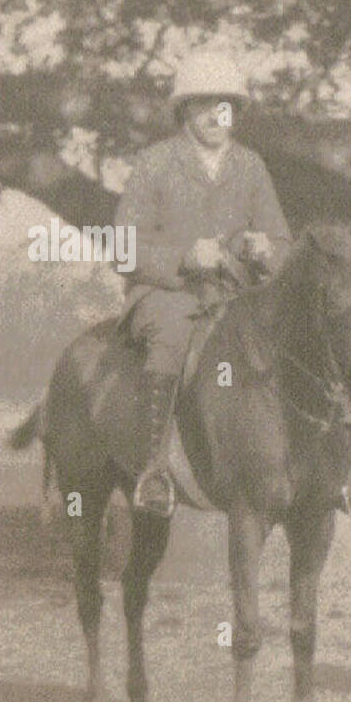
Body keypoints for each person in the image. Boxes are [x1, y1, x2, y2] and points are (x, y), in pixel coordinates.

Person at [113, 47, 293, 516]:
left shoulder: (250, 165)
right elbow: (123, 249)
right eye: (205, 105)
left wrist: (267, 250)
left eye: (226, 105)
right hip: (169, 294)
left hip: (235, 295)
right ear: (184, 111)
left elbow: (282, 240)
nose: (217, 115)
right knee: (173, 335)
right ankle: (154, 469)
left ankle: (314, 465)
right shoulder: (155, 163)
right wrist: (185, 257)